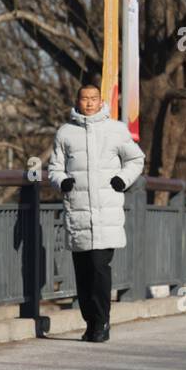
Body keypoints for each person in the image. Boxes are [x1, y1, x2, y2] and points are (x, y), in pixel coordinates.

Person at [48, 82, 146, 343]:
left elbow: (136, 159)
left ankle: (102, 322)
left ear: (101, 101)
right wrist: (62, 181)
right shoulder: (65, 133)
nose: (89, 103)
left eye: (94, 98)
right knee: (83, 272)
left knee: (99, 267)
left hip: (106, 213)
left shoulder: (116, 130)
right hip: (78, 212)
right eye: (84, 99)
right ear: (77, 101)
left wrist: (122, 179)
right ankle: (90, 323)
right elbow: (54, 168)